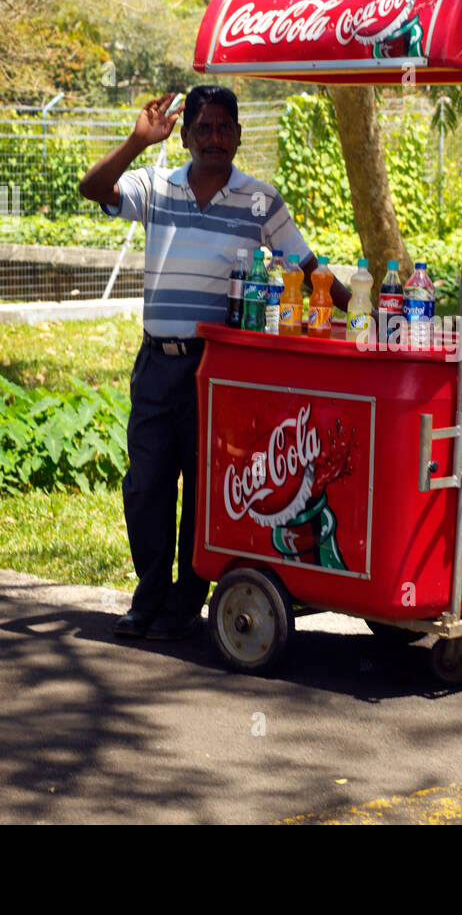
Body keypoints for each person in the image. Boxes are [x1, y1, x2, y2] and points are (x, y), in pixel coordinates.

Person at [79, 85, 350, 640]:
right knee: (147, 484)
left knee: (205, 489)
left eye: (225, 128)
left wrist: (372, 311)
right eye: (203, 128)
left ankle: (183, 603)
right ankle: (148, 595)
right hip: (157, 363)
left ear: (239, 136)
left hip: (220, 372)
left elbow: (308, 267)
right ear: (184, 136)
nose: (214, 138)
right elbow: (92, 188)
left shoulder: (261, 201)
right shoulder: (156, 185)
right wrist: (136, 141)